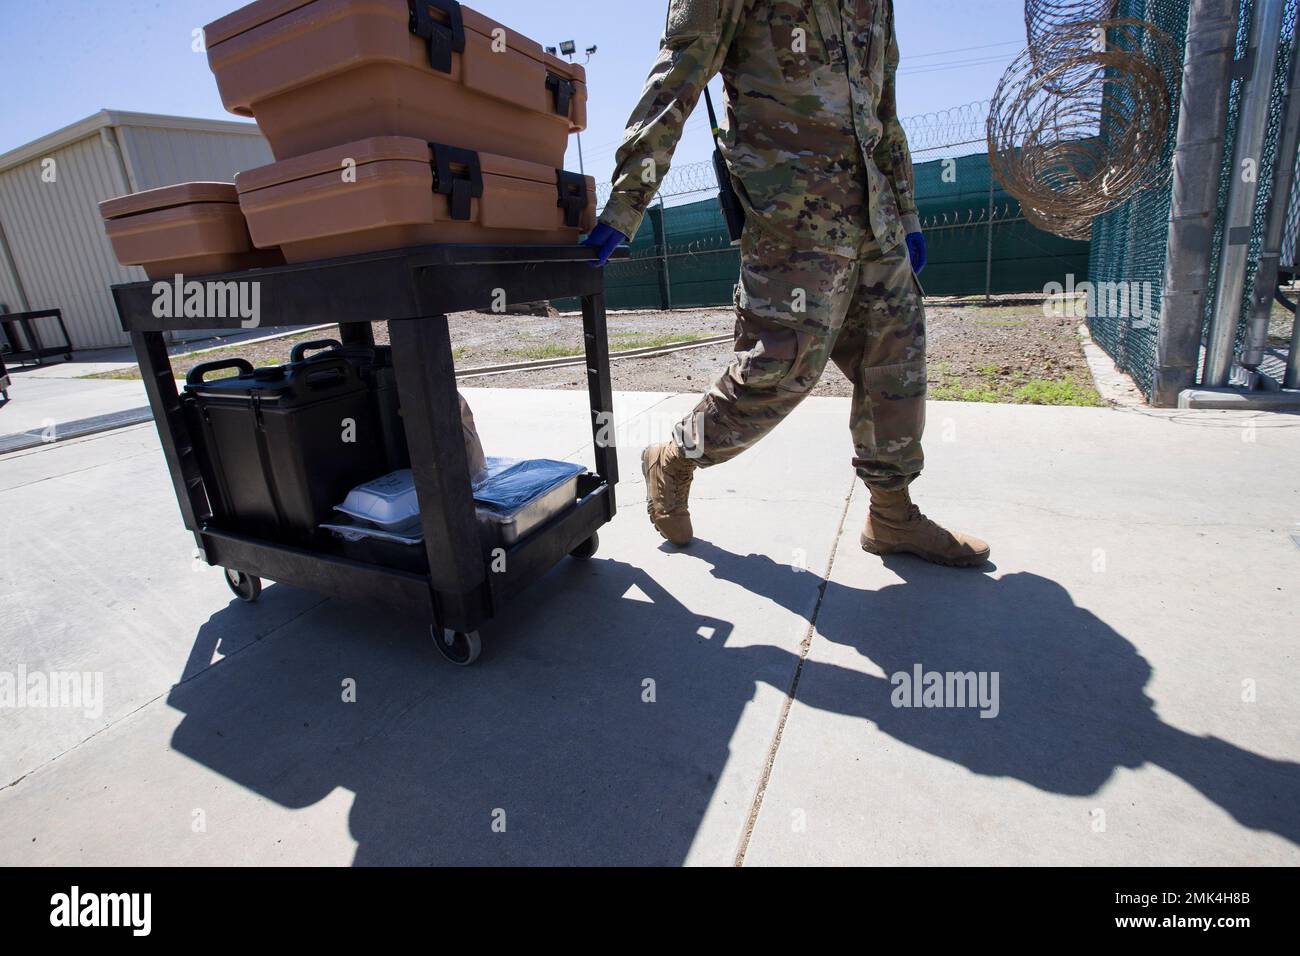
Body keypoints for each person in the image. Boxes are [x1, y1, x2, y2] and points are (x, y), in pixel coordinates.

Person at [584, 0, 989, 567]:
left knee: (896, 363)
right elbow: (678, 76)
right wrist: (627, 201)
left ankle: (892, 515)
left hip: (877, 216)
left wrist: (908, 212)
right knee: (778, 369)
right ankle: (675, 456)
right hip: (791, 215)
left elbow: (884, 111)